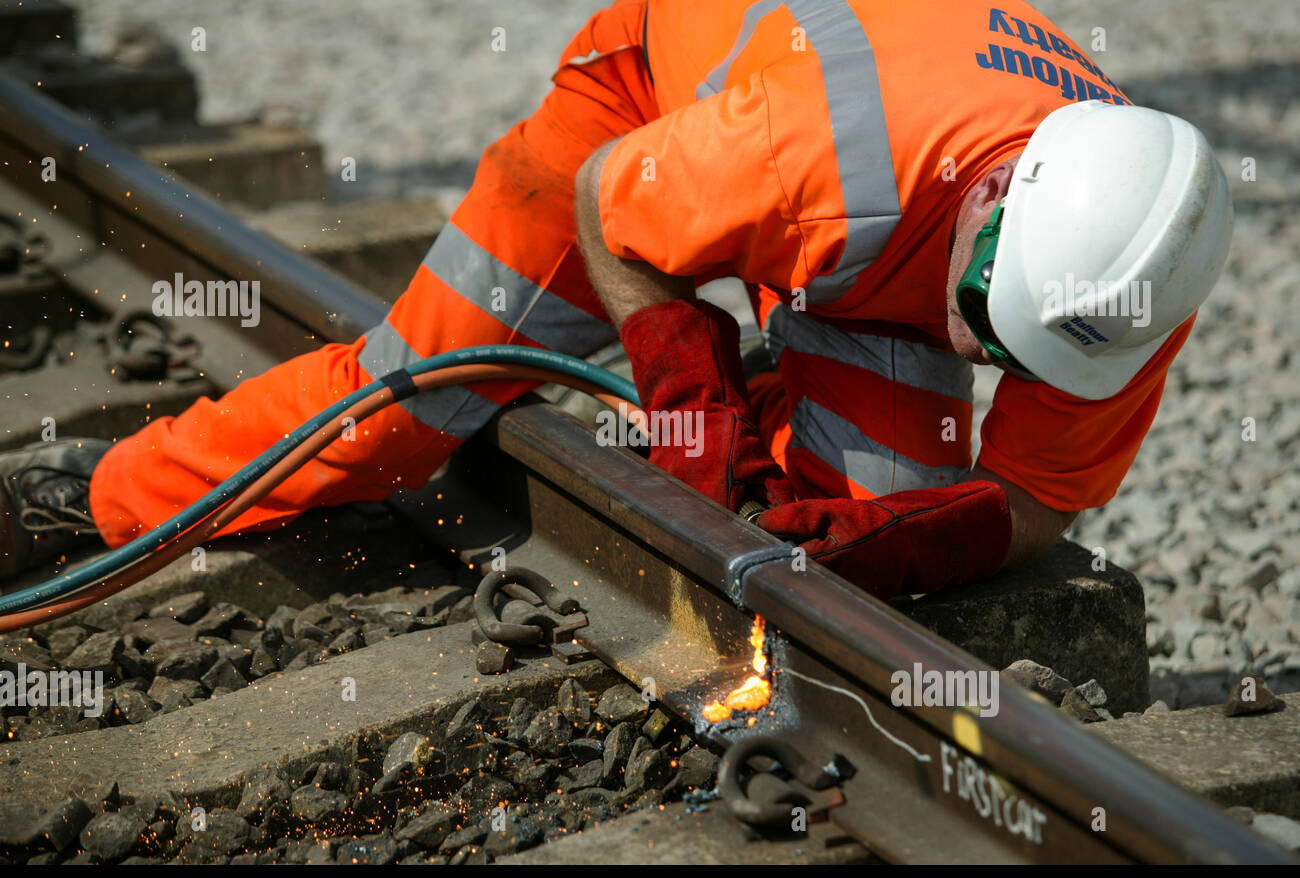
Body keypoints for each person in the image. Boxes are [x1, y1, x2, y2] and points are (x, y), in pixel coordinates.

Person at [0, 0, 1232, 599]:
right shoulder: (813, 159)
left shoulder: (1128, 262)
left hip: (847, 219)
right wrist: (692, 412)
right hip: (644, 111)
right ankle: (104, 496)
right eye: (982, 313)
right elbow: (610, 204)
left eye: (1008, 344)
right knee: (404, 411)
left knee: (884, 526)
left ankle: (781, 403)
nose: (982, 352)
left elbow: (1030, 500)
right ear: (995, 203)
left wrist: (932, 533)